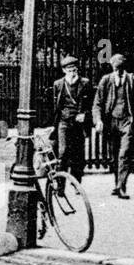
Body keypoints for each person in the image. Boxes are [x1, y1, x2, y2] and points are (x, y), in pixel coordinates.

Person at [94, 53, 134, 199]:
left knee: (124, 154)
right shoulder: (106, 80)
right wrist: (99, 120)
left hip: (127, 121)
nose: (118, 71)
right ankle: (117, 184)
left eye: (121, 68)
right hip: (111, 122)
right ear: (112, 67)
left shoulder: (131, 81)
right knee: (114, 156)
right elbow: (97, 103)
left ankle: (121, 187)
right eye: (116, 68)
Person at [50, 54, 93, 188]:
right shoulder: (58, 84)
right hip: (64, 122)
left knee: (78, 154)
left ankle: (76, 184)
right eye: (69, 70)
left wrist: (85, 115)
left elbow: (92, 104)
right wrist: (54, 125)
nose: (72, 73)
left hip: (79, 124)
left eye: (74, 70)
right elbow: (55, 106)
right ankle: (60, 185)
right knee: (62, 152)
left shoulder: (85, 83)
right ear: (64, 71)